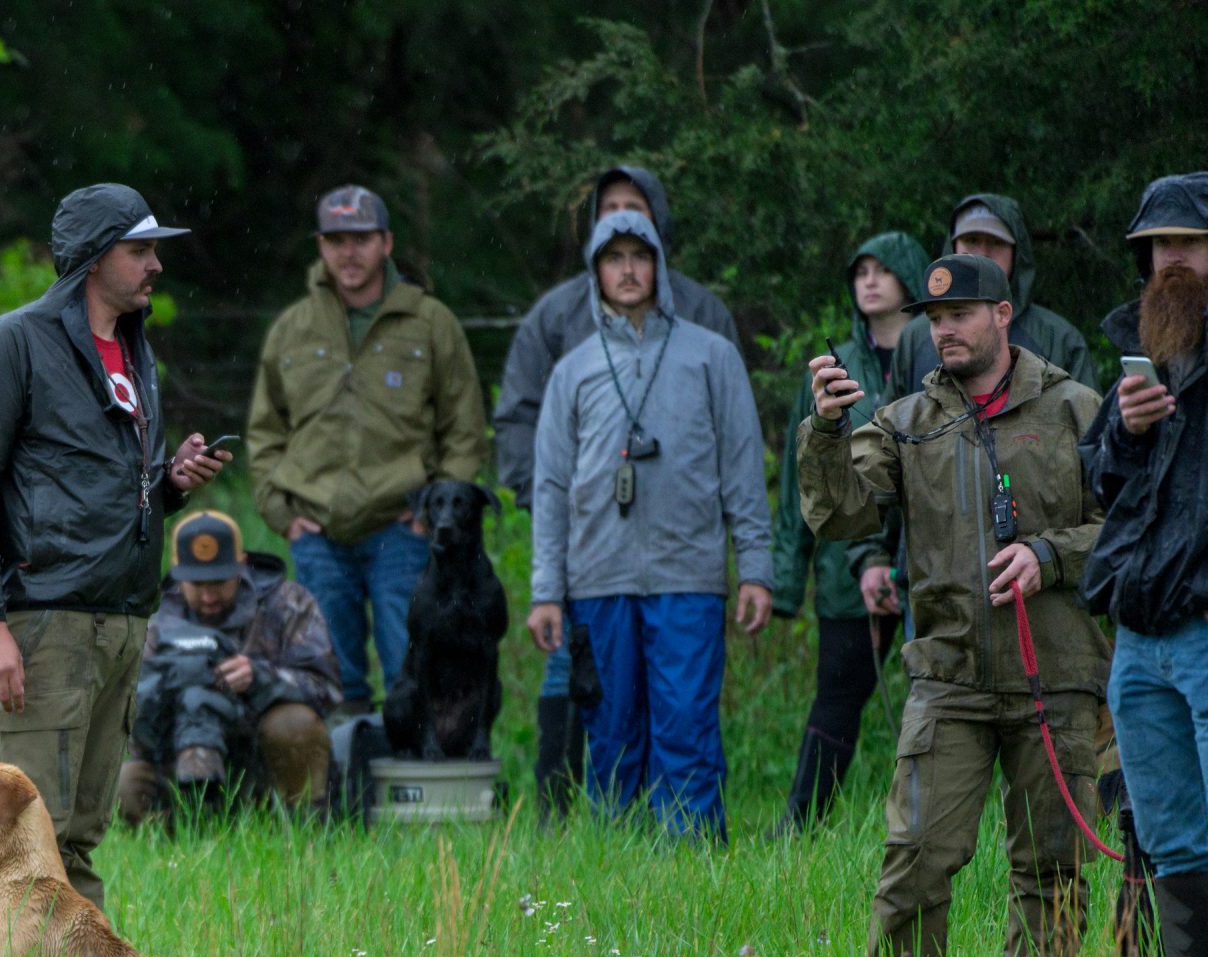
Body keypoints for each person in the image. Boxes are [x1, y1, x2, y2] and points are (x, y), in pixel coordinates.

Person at [800, 252, 1107, 957]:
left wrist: (1048, 555)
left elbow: (1127, 528)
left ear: (1003, 314)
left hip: (1056, 676)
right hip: (949, 676)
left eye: (960, 314)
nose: (945, 330)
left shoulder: (1075, 408)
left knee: (1052, 865)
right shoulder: (905, 422)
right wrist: (828, 430)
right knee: (915, 857)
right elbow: (840, 516)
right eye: (935, 319)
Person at [0, 183, 231, 912]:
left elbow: (104, 484)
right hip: (46, 621)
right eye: (140, 250)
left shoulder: (136, 351)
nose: (155, 265)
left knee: (76, 837)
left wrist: (169, 483)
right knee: (19, 838)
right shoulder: (15, 342)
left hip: (124, 618)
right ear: (93, 257)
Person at [493, 164, 743, 821]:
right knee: (610, 730)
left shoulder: (710, 350)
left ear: (659, 259)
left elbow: (742, 469)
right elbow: (550, 482)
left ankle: (691, 856)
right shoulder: (571, 367)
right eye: (613, 257)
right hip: (596, 574)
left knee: (686, 725)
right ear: (593, 267)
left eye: (639, 255)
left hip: (687, 571)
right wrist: (546, 589)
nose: (628, 270)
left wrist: (757, 569)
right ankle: (618, 854)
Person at [246, 185, 485, 712]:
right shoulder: (292, 328)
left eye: (361, 239)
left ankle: (411, 761)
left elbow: (465, 428)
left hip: (403, 528)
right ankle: (342, 761)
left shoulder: (431, 322)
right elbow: (265, 431)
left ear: (386, 243)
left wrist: (434, 511)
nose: (348, 253)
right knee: (329, 674)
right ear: (321, 246)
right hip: (317, 531)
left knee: (414, 663)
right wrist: (280, 511)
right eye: (336, 241)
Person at [1081, 172, 1208, 957]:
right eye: (1158, 245)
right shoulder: (1149, 353)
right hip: (1140, 638)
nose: (1172, 259)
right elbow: (1095, 478)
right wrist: (1126, 433)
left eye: (1189, 241)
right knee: (1169, 836)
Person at [767, 231, 930, 834]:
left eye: (883, 269)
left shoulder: (939, 354)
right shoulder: (834, 366)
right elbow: (800, 477)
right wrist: (786, 583)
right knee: (837, 697)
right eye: (861, 270)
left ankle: (927, 827)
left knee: (943, 702)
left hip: (929, 558)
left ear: (910, 276)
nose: (870, 280)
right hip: (845, 566)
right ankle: (800, 827)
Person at [116, 510, 340, 825]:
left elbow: (328, 690)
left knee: (293, 722)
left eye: (220, 581)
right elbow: (129, 725)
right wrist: (165, 693)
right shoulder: (156, 620)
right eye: (197, 584)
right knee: (125, 785)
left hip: (262, 757)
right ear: (178, 573)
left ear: (242, 564)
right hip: (180, 758)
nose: (209, 596)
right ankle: (185, 835)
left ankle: (302, 824)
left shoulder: (287, 603)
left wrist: (260, 679)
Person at [888, 195, 1100, 397]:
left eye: (996, 242)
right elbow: (891, 420)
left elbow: (1087, 418)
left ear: (1017, 251)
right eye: (972, 240)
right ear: (953, 246)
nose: (982, 253)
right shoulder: (914, 337)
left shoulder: (1058, 338)